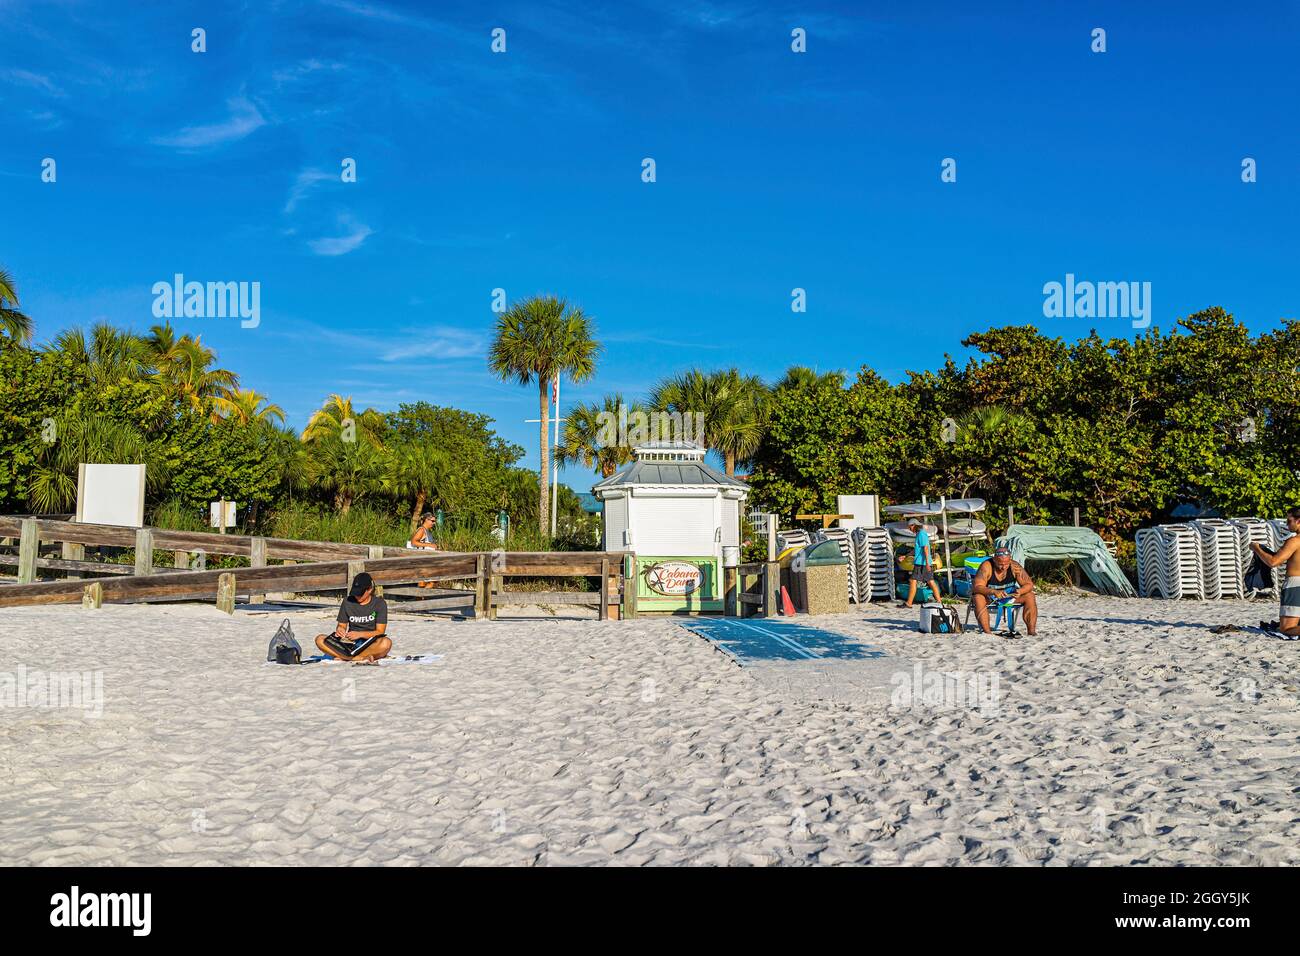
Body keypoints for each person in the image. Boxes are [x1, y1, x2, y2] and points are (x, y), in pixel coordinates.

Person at [316, 572, 391, 663]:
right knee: (320, 639)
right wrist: (341, 630)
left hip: (370, 644)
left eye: (360, 594)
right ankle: (359, 658)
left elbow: (380, 632)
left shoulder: (379, 603)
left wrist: (359, 634)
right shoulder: (347, 601)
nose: (357, 596)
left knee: (386, 643)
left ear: (369, 589)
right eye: (355, 593)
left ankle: (345, 657)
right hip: (349, 643)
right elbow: (341, 625)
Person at [1249, 506, 1300, 637]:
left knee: (1286, 629)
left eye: (1289, 521)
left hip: (1295, 585)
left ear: (1298, 521)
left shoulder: (1295, 541)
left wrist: (1257, 549)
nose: (1287, 524)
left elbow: (1273, 562)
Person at [971, 545, 1038, 636]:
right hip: (990, 598)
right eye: (1000, 564)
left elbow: (1029, 584)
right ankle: (987, 632)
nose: (1003, 567)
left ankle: (1031, 631)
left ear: (1010, 560)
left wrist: (1020, 591)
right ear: (994, 560)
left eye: (1006, 564)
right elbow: (976, 587)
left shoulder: (1015, 566)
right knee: (978, 597)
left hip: (1009, 596)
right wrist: (993, 591)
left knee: (1030, 595)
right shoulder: (986, 566)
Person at [903, 517, 939, 608]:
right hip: (921, 563)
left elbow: (926, 548)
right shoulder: (919, 534)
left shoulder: (922, 534)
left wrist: (927, 563)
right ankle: (939, 601)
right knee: (930, 581)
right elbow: (917, 550)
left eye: (910, 527)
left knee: (913, 581)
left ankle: (909, 603)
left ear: (914, 525)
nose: (909, 529)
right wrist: (905, 556)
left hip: (922, 563)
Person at [408, 512, 440, 589]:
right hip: (421, 561)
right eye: (432, 521)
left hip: (427, 561)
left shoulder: (428, 531)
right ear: (426, 520)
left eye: (434, 521)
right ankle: (420, 599)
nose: (434, 523)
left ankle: (422, 598)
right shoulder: (422, 530)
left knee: (434, 581)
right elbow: (414, 542)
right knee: (423, 583)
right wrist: (429, 545)